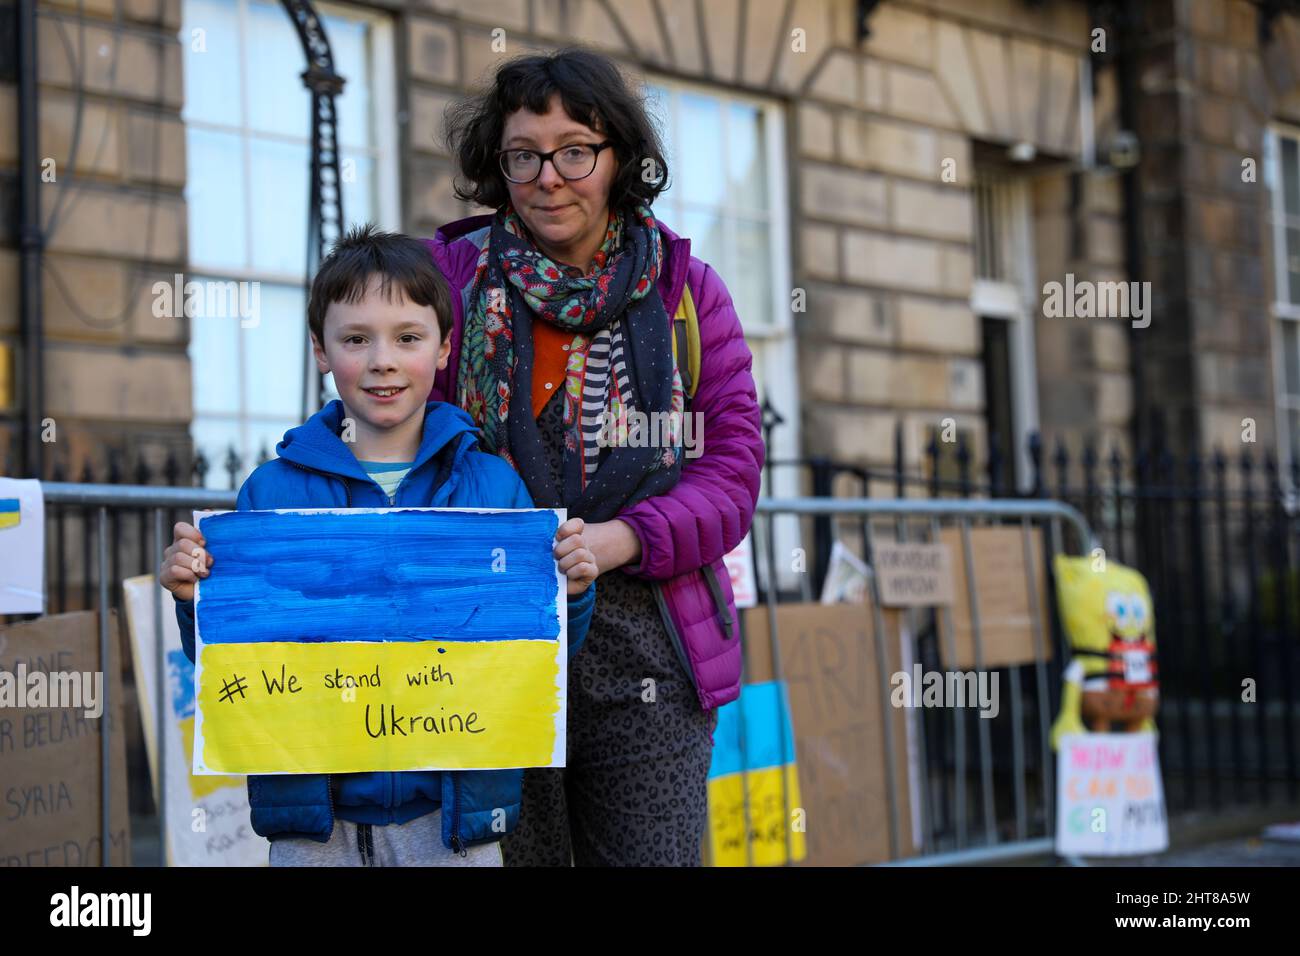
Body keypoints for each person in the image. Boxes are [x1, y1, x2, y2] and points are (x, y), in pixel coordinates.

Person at [159, 224, 599, 867]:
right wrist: (194, 596)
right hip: (313, 822)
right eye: (356, 339)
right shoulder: (271, 491)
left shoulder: (492, 486)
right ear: (321, 349)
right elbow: (230, 667)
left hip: (451, 818)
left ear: (446, 349)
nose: (382, 360)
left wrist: (575, 590)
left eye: (408, 338)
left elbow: (543, 659)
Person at [430, 48, 764, 865]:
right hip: (485, 645)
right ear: (496, 165)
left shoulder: (688, 292)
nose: (550, 176)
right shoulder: (447, 283)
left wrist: (625, 540)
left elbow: (731, 473)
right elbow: (372, 426)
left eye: (576, 149)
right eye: (524, 155)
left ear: (619, 158)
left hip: (646, 650)